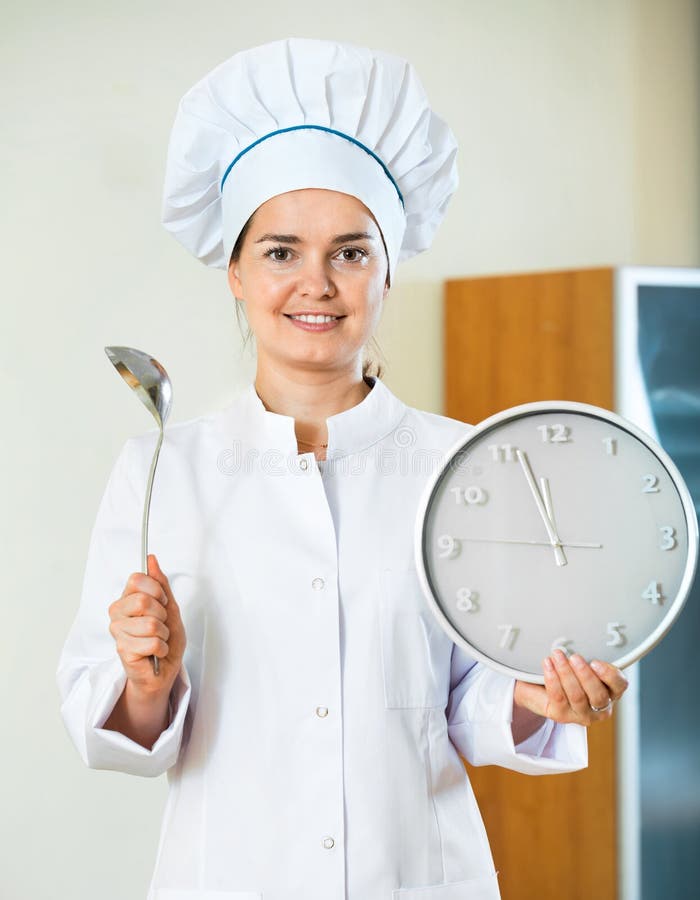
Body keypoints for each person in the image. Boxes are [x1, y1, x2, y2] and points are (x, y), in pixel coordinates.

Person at [56, 37, 629, 900]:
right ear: (237, 275)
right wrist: (148, 680)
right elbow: (122, 727)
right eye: (281, 252)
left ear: (388, 272)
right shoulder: (161, 469)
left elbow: (473, 702)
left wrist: (537, 701)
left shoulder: (462, 465)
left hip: (420, 876)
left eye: (351, 252)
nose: (316, 283)